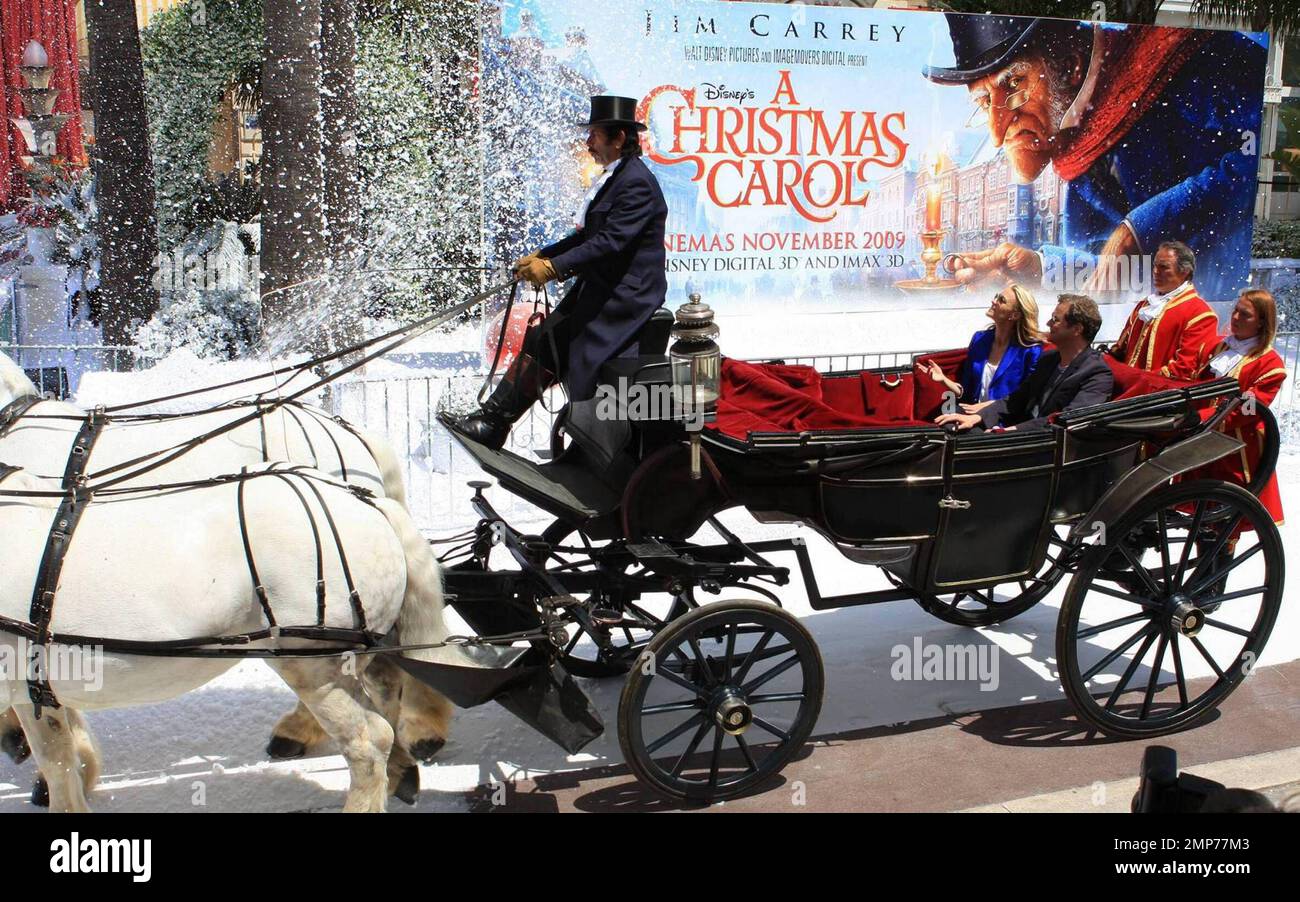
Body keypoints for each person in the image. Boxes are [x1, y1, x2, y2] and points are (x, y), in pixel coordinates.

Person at [925, 15, 1264, 300]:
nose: (997, 134)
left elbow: (1255, 160)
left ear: (1071, 67)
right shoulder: (1076, 153)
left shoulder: (1199, 62)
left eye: (1014, 83)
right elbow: (1109, 272)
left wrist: (1138, 228)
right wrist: (1039, 269)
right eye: (985, 103)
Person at [451, 95, 668, 449]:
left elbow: (610, 243)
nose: (588, 143)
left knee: (579, 354)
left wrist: (552, 268)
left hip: (626, 298)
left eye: (595, 135)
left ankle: (587, 440)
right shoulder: (615, 179)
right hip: (600, 288)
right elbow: (587, 238)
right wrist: (542, 255)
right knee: (542, 339)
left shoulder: (637, 183)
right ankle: (494, 421)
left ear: (618, 139)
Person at [937, 294, 1113, 432]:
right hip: (1016, 428)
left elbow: (1066, 420)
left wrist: (1009, 431)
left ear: (1077, 329)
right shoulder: (1049, 359)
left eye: (1055, 320)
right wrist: (979, 417)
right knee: (953, 420)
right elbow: (1015, 400)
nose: (1048, 323)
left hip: (1040, 442)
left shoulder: (1097, 373)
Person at [1195, 288, 1286, 525]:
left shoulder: (1269, 363)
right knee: (1200, 516)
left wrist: (1200, 418)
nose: (1235, 318)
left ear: (1261, 323)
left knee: (1225, 522)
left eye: (1245, 315)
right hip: (1201, 440)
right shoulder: (1217, 348)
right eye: (1236, 311)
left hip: (1237, 451)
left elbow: (1247, 410)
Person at [918, 282, 1044, 406]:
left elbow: (1024, 400)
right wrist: (944, 380)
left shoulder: (1030, 351)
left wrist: (985, 410)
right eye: (996, 296)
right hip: (971, 414)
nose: (993, 301)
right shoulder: (980, 339)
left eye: (1001, 300)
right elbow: (967, 393)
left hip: (1003, 422)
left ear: (1014, 315)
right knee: (946, 423)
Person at [1107, 241, 1217, 380]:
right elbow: (1120, 348)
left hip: (1160, 395)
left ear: (1184, 271)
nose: (1155, 271)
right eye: (1155, 265)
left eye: (1163, 267)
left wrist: (1136, 379)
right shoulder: (1145, 305)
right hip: (1127, 387)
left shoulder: (1200, 314)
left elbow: (1184, 369)